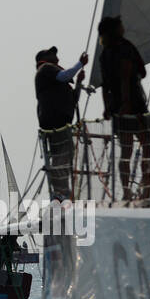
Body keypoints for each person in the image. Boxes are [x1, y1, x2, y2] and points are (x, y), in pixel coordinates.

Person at [98, 16, 150, 200]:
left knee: (126, 150)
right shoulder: (124, 47)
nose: (124, 26)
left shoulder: (104, 54)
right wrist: (127, 102)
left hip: (116, 108)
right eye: (120, 25)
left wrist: (107, 107)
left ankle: (126, 191)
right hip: (133, 105)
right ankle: (146, 189)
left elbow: (105, 85)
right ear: (115, 29)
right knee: (148, 145)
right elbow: (126, 75)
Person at [34, 46, 86, 199]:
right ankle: (60, 191)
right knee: (61, 157)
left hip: (62, 123)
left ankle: (63, 190)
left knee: (66, 155)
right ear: (44, 58)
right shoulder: (45, 69)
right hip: (54, 123)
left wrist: (79, 83)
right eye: (52, 54)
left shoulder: (56, 78)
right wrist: (80, 64)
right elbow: (64, 75)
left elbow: (73, 100)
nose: (56, 56)